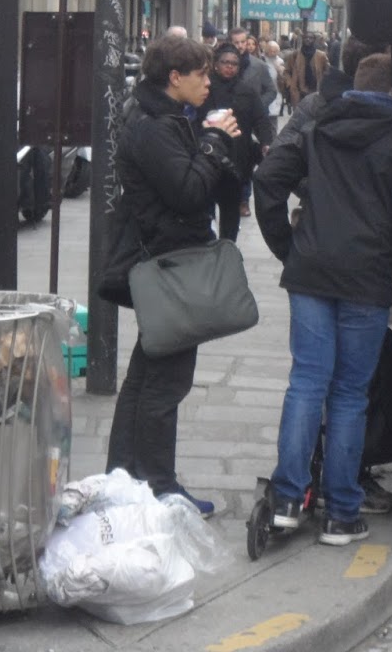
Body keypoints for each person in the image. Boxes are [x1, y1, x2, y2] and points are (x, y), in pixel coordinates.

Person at [253, 52, 392, 545]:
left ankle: (287, 500)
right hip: (366, 278)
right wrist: (390, 258)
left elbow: (267, 180)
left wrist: (288, 246)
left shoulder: (317, 125)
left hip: (312, 271)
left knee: (306, 382)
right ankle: (342, 514)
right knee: (349, 394)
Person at [100, 34, 242, 515]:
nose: (209, 81)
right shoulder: (156, 128)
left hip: (164, 262)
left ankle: (124, 478)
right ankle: (158, 486)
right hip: (168, 265)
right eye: (200, 74)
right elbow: (187, 193)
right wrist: (214, 141)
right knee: (164, 381)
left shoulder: (160, 119)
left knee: (146, 374)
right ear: (174, 78)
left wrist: (213, 144)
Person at [204, 41, 274, 238]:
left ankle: (228, 249)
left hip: (236, 158)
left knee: (230, 213)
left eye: (234, 63)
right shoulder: (205, 88)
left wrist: (266, 142)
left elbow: (261, 120)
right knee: (205, 212)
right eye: (225, 62)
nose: (229, 66)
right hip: (207, 158)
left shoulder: (246, 91)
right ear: (216, 64)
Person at [284, 32, 329, 109]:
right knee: (300, 115)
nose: (308, 40)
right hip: (299, 91)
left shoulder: (321, 56)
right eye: (306, 38)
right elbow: (286, 71)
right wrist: (290, 84)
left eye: (310, 38)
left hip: (316, 91)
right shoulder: (294, 55)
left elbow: (328, 71)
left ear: (314, 40)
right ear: (302, 39)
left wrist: (325, 85)